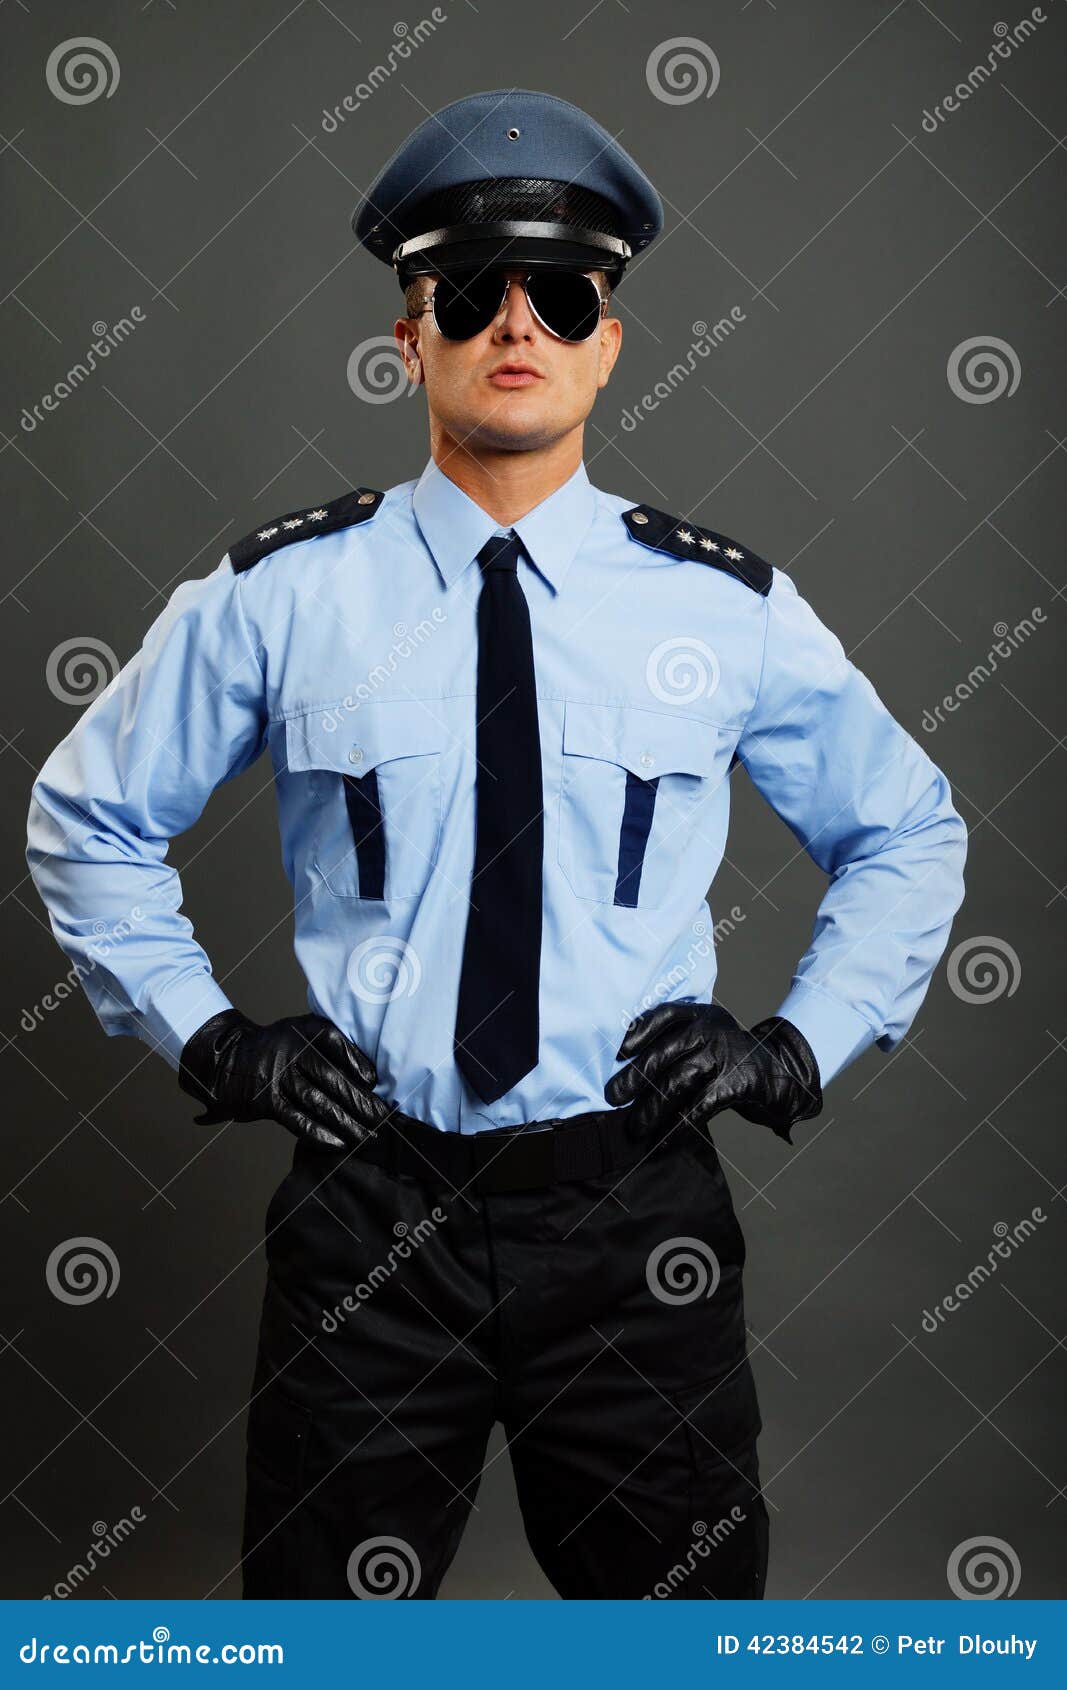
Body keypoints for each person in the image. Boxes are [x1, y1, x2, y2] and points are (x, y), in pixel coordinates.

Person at [25, 88, 967, 1600]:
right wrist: (212, 1042)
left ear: (609, 339)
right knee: (330, 1641)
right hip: (369, 1212)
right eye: (467, 292)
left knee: (675, 1641)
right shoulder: (280, 595)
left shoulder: (719, 607)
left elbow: (907, 827)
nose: (512, 322)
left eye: (562, 294)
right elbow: (87, 814)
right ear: (409, 335)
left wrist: (796, 1048)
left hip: (633, 1215)